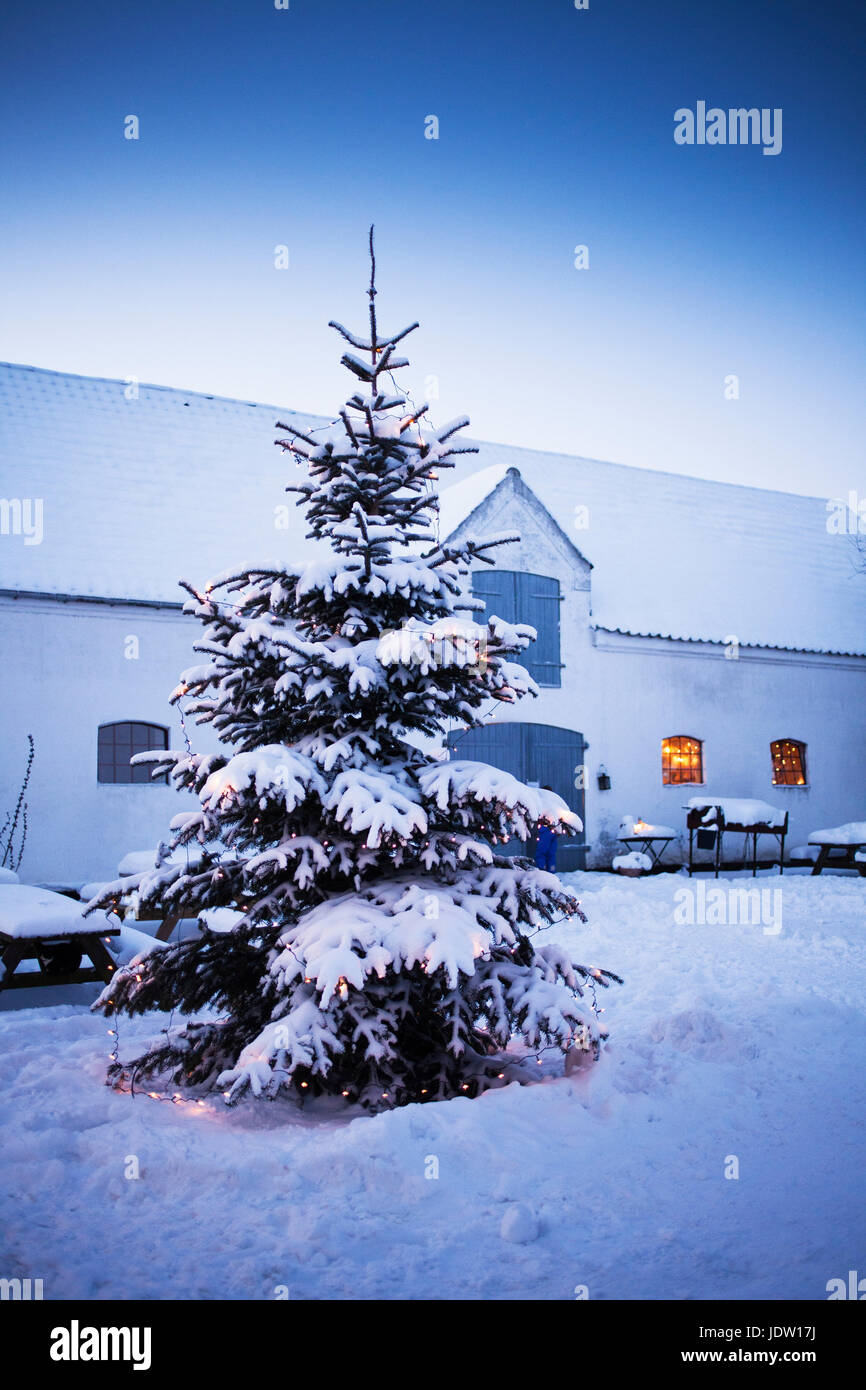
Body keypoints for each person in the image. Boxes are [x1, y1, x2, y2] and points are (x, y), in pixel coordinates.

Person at [535, 785, 557, 872]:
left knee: (541, 853)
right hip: (554, 829)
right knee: (551, 854)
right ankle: (551, 873)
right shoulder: (554, 802)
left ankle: (542, 873)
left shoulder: (542, 802)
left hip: (544, 829)